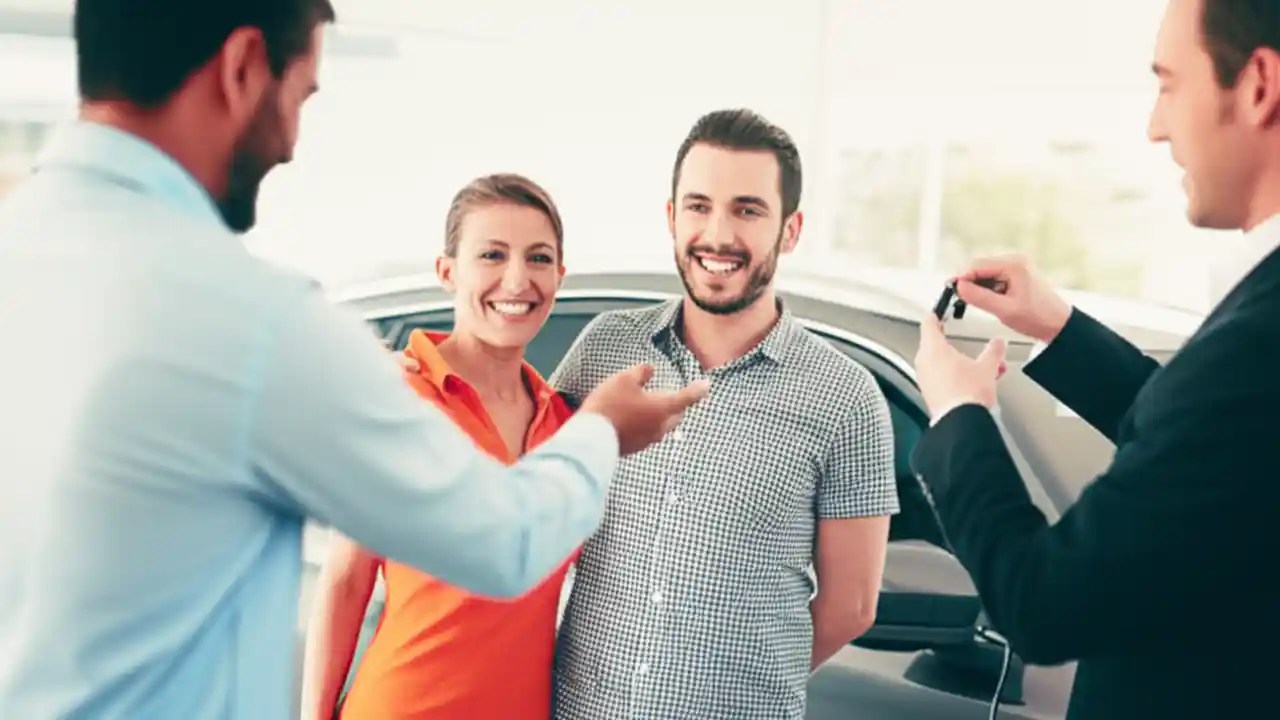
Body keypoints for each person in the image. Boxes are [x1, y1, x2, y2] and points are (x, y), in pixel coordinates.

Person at [0, 3, 706, 718]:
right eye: (301, 95)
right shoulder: (254, 320)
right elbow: (500, 542)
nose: (290, 145)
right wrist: (605, 432)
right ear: (244, 68)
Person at [910, 0, 1279, 718]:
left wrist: (959, 416)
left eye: (1169, 84)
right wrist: (1060, 329)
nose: (1155, 125)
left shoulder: (1260, 335)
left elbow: (1044, 603)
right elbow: (1216, 448)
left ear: (1260, 84)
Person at [549, 109, 900, 719]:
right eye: (699, 205)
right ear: (671, 216)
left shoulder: (847, 398)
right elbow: (520, 492)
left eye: (747, 209)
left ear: (789, 231)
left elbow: (851, 607)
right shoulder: (605, 349)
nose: (717, 234)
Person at [300, 173, 590, 720]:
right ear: (447, 271)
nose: (516, 279)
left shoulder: (562, 423)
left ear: (559, 274)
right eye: (492, 255)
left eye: (538, 258)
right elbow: (347, 577)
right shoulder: (401, 400)